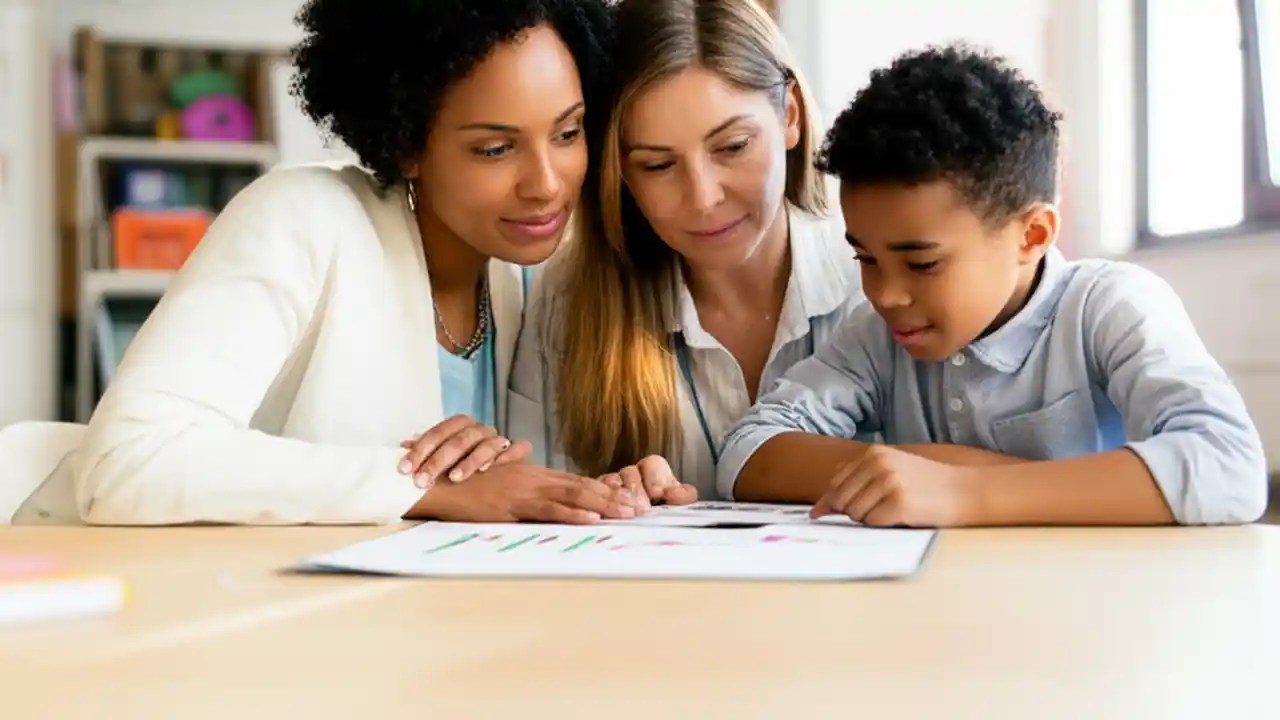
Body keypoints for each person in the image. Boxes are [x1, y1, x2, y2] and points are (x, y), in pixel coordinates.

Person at [73, 0, 643, 526]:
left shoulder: (533, 269)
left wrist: (622, 488)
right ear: (406, 145)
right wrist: (419, 486)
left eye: (567, 133)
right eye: (495, 149)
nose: (546, 184)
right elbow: (124, 463)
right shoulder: (299, 219)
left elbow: (518, 488)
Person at [719, 44, 1268, 527]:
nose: (885, 294)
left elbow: (1229, 465)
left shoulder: (1108, 307)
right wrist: (926, 472)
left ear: (1032, 235)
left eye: (922, 263)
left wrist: (963, 490)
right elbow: (748, 451)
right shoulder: (876, 338)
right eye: (865, 258)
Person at [509, 0, 864, 503]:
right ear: (619, 173)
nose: (703, 198)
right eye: (657, 165)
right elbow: (535, 508)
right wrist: (610, 500)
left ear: (790, 116)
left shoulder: (876, 279)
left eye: (733, 147)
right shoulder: (567, 305)